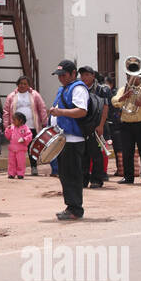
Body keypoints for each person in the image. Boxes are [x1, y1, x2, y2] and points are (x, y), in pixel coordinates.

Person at [47, 59, 91, 221]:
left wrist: (60, 113)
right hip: (63, 139)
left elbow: (81, 111)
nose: (61, 78)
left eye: (64, 75)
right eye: (59, 75)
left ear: (73, 74)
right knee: (65, 174)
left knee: (72, 175)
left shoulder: (78, 88)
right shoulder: (64, 88)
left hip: (73, 139)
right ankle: (71, 206)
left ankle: (75, 208)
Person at [112, 58, 141, 185]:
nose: (131, 78)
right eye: (129, 75)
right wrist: (125, 96)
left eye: (134, 75)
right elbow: (115, 101)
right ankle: (128, 177)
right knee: (127, 151)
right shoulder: (123, 89)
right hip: (126, 124)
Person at [4, 76, 48, 176]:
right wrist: (6, 125)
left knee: (32, 148)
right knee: (16, 150)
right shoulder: (11, 96)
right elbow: (6, 111)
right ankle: (14, 171)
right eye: (21, 83)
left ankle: (34, 167)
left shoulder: (35, 95)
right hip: (16, 129)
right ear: (17, 84)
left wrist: (45, 122)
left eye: (25, 84)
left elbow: (42, 108)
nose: (23, 85)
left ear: (28, 85)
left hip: (31, 126)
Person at [78, 66, 110, 188]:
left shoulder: (102, 90)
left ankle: (97, 179)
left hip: (97, 125)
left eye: (87, 75)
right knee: (83, 153)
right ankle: (83, 179)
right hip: (83, 125)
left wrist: (101, 125)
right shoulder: (79, 88)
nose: (84, 77)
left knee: (96, 153)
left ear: (93, 76)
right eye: (82, 75)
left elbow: (105, 107)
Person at [6, 112, 33, 178]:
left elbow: (29, 136)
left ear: (20, 120)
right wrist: (8, 130)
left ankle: (20, 173)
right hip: (12, 148)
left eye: (14, 120)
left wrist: (24, 139)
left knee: (20, 162)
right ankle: (11, 173)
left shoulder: (25, 128)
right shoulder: (12, 128)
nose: (13, 121)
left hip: (20, 149)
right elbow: (8, 137)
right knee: (11, 162)